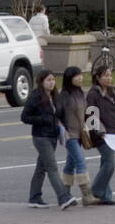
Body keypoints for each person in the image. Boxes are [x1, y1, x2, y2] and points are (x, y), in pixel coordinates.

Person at [22, 70, 78, 210]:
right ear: (41, 82)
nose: (51, 82)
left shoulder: (54, 95)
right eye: (48, 80)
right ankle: (63, 197)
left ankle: (34, 197)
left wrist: (65, 129)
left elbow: (60, 114)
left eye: (53, 80)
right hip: (41, 137)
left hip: (53, 136)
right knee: (52, 167)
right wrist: (44, 119)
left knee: (41, 168)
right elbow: (25, 117)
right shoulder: (36, 96)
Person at [86, 65, 115, 205]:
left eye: (110, 75)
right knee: (110, 164)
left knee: (105, 163)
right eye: (105, 76)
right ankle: (94, 192)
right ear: (98, 78)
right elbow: (90, 114)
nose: (109, 78)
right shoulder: (93, 94)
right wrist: (99, 131)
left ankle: (105, 196)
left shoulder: (114, 93)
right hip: (102, 135)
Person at [56, 66, 95, 205]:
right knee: (80, 161)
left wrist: (89, 127)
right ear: (69, 78)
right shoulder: (64, 95)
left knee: (70, 164)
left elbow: (85, 112)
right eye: (76, 76)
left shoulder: (80, 93)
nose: (80, 78)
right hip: (69, 134)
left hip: (80, 133)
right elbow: (57, 115)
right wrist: (62, 130)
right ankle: (87, 195)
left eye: (80, 75)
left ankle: (64, 194)